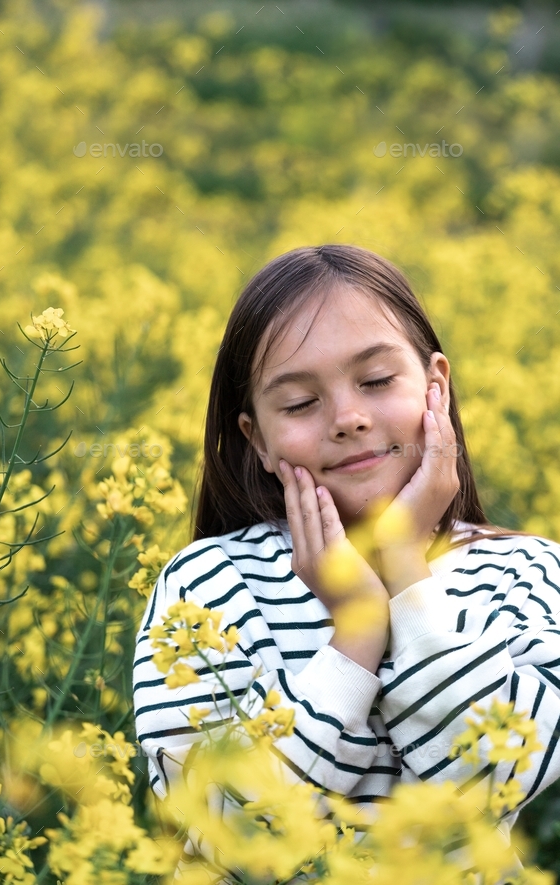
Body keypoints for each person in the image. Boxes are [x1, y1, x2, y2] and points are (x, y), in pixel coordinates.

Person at [133, 244, 560, 874]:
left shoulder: (527, 571)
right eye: (301, 403)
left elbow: (495, 772)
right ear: (259, 439)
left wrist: (403, 571)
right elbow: (224, 827)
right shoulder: (209, 585)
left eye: (378, 380)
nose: (348, 419)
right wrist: (355, 630)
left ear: (435, 387)